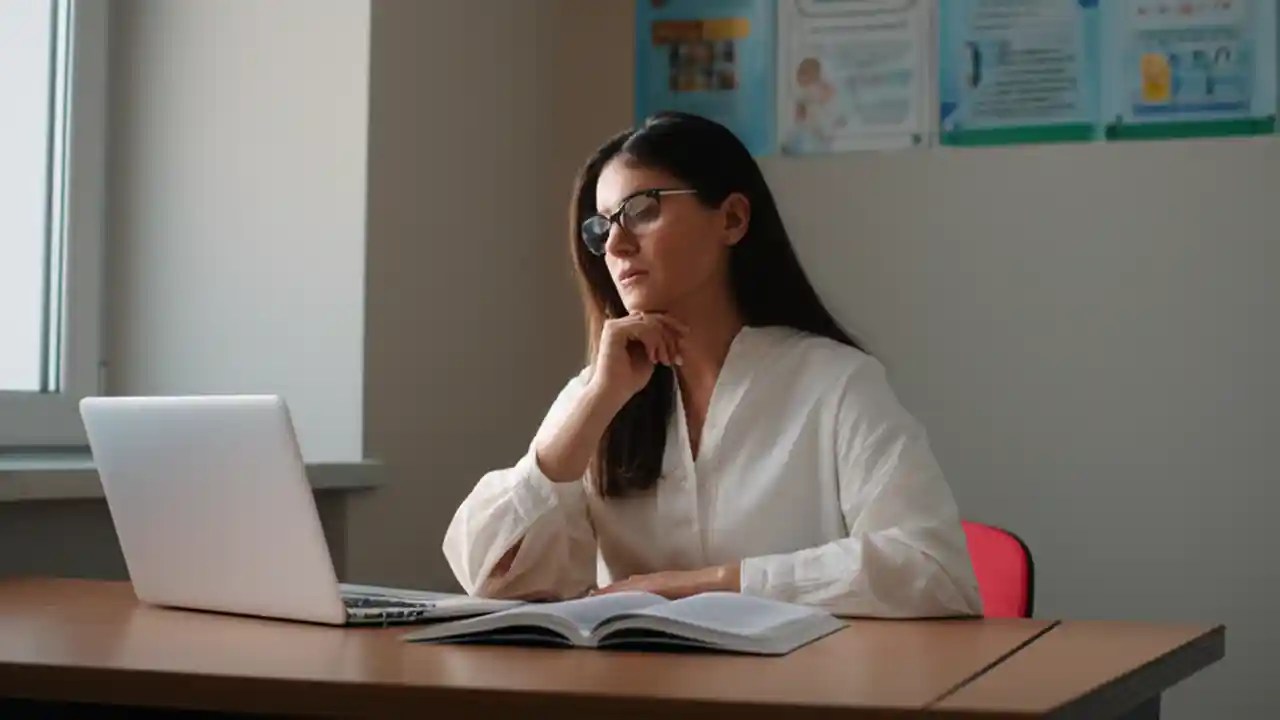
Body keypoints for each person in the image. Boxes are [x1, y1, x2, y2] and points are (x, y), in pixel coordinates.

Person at [442, 112, 982, 618]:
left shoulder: (835, 383)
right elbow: (491, 579)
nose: (618, 244)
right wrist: (596, 404)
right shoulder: (599, 393)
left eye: (643, 209)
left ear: (731, 218)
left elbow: (934, 571)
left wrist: (708, 582)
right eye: (602, 227)